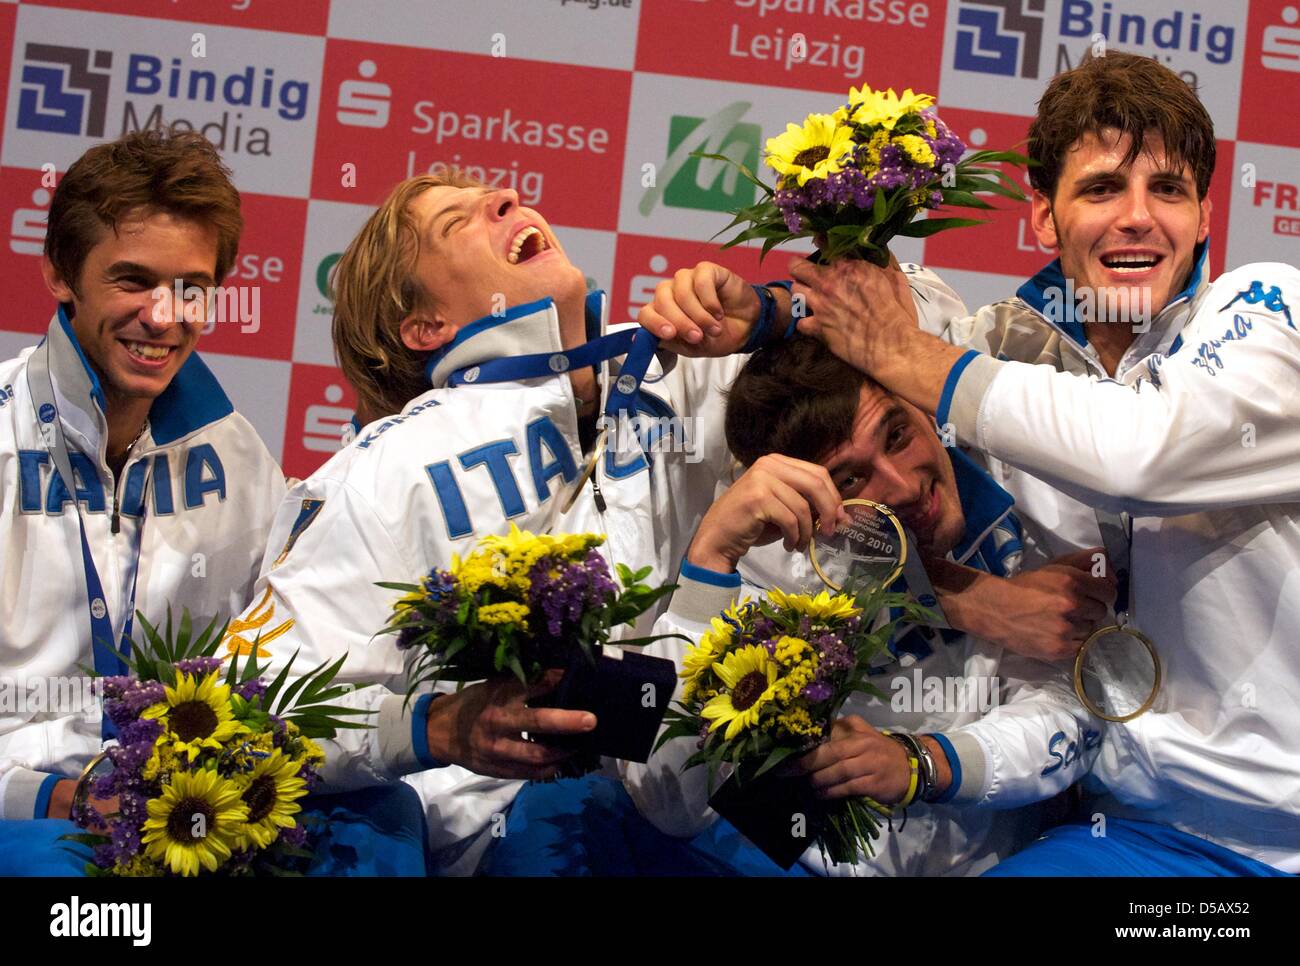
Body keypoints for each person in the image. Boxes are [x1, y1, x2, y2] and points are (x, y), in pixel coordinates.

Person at [228, 172, 1005, 874]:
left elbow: (927, 322)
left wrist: (768, 311)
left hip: (678, 804)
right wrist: (430, 728)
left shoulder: (684, 376)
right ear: (424, 326)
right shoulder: (385, 472)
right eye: (455, 222)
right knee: (574, 814)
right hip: (509, 827)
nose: (503, 197)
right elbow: (242, 714)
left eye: (495, 194)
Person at [781, 52, 1299, 875]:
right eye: (1100, 189)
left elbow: (1142, 453)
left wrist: (914, 357)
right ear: (1043, 219)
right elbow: (831, 524)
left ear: (1206, 215)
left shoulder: (1269, 316)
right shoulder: (1000, 359)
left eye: (1167, 189)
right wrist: (752, 313)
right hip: (1123, 831)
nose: (1137, 218)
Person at [622, 335, 1112, 875]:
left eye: (897, 436)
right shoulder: (758, 575)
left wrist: (922, 762)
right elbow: (667, 804)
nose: (901, 486)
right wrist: (709, 561)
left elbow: (1070, 717)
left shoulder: (1016, 487)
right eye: (851, 478)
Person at [0, 130, 286, 868]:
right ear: (61, 274)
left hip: (180, 809)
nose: (163, 317)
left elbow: (283, 664)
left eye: (190, 287)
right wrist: (50, 798)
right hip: (28, 808)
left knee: (375, 827)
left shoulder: (239, 456)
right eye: (132, 281)